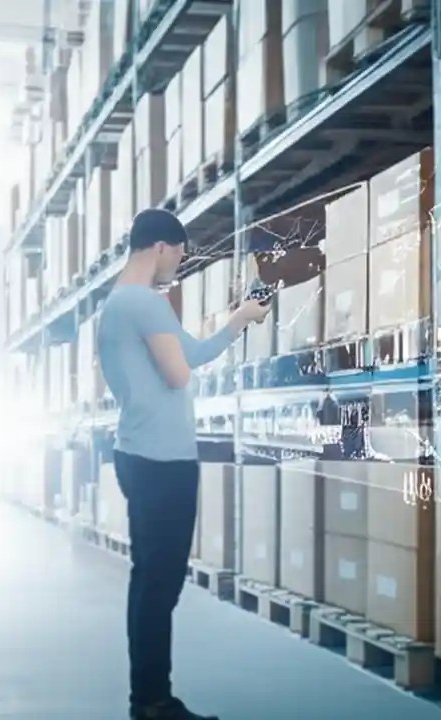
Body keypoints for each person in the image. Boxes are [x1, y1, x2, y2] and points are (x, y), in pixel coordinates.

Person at [95, 209, 270, 720]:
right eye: (179, 256)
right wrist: (232, 327)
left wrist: (234, 322)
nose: (178, 266)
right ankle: (153, 702)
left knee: (148, 580)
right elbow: (178, 371)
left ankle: (148, 698)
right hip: (162, 460)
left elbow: (182, 354)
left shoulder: (116, 305)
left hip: (138, 452)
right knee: (160, 585)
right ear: (161, 248)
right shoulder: (144, 303)